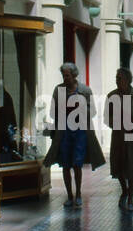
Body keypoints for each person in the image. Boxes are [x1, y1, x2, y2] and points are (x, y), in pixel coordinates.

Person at [42, 62, 104, 207]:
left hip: (80, 131)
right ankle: (69, 195)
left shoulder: (85, 90)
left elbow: (93, 112)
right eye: (63, 75)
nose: (65, 78)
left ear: (74, 75)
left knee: (77, 164)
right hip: (64, 132)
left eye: (67, 75)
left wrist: (79, 108)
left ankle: (78, 194)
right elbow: (52, 111)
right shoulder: (58, 90)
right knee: (65, 164)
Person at [104, 67, 133, 210]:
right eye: (116, 78)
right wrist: (117, 122)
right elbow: (107, 117)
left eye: (120, 78)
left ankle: (130, 197)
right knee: (118, 166)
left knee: (132, 167)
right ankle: (124, 190)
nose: (117, 81)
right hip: (118, 136)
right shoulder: (112, 96)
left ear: (127, 80)